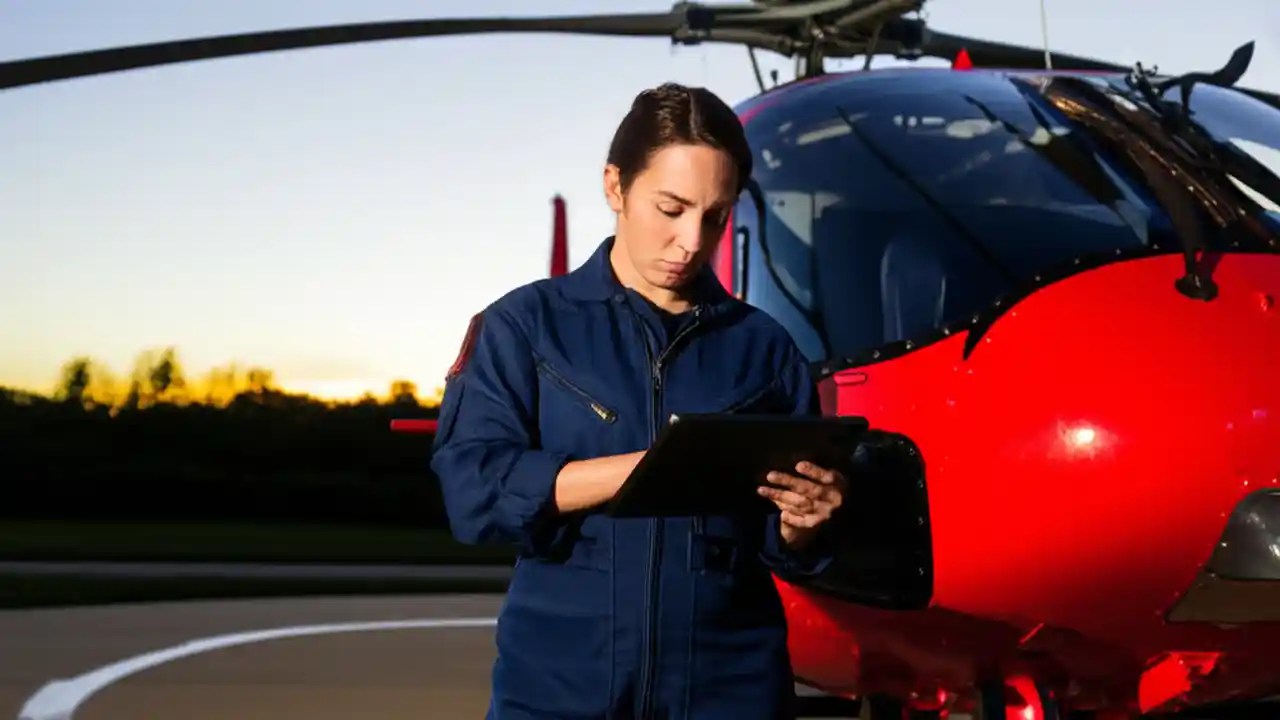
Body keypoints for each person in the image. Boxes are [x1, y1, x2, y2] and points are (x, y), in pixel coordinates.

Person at [430, 82, 850, 720]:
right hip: (559, 692)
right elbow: (473, 492)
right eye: (672, 207)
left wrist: (802, 522)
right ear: (615, 187)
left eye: (715, 215)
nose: (691, 240)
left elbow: (781, 543)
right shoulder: (525, 326)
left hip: (730, 691)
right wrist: (647, 468)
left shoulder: (765, 350)